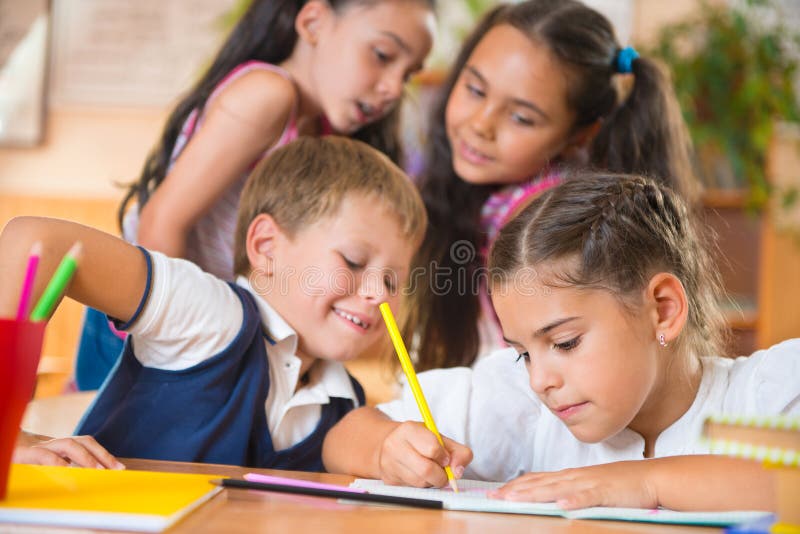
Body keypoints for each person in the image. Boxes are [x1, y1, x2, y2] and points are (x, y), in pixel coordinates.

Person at [322, 173, 799, 512]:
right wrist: (388, 447)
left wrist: (642, 482)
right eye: (524, 352)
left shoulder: (764, 395)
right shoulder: (524, 404)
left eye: (566, 343)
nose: (539, 378)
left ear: (664, 309)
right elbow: (345, 436)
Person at [1, 137, 427, 470]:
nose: (380, 293)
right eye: (353, 261)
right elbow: (34, 240)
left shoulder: (342, 399)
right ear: (265, 247)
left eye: (393, 280)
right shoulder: (212, 313)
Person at [74, 0, 436, 390]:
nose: (394, 88)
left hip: (219, 334)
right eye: (382, 55)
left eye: (409, 75)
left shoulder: (324, 133)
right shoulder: (268, 94)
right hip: (148, 317)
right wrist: (186, 354)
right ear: (313, 22)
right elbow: (161, 223)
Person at [405, 0, 697, 371]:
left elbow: (554, 373)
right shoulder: (495, 189)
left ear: (580, 134)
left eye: (521, 117)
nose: (481, 124)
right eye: (476, 90)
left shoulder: (539, 222)